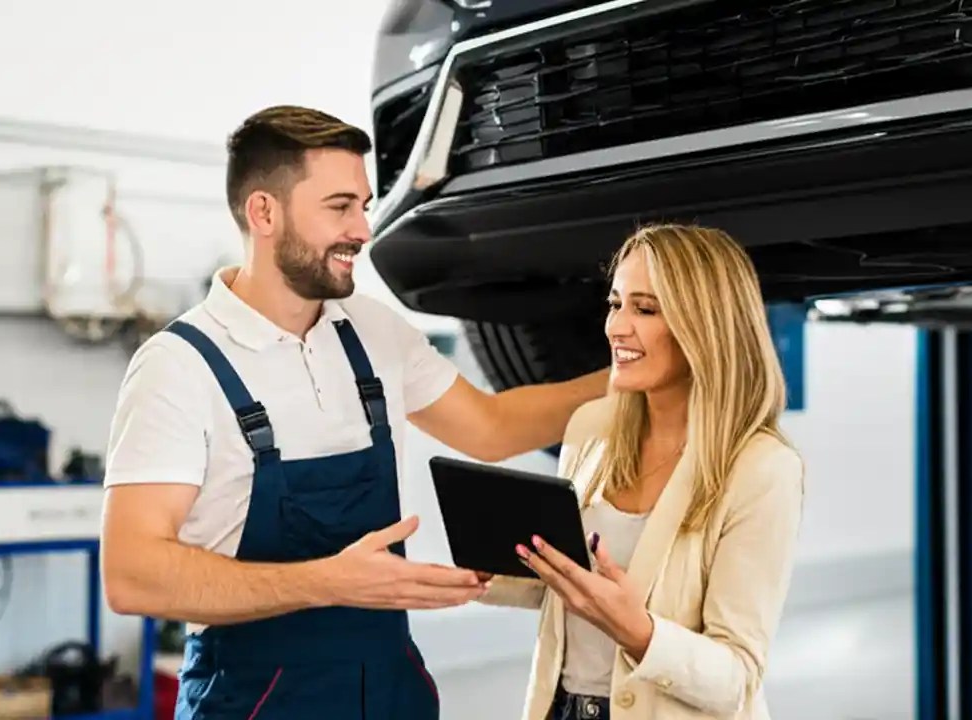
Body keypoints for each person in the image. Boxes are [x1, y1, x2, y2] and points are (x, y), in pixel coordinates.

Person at [98, 104, 609, 720]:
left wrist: (627, 378)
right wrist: (330, 582)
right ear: (264, 212)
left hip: (389, 691)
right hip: (256, 700)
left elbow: (492, 428)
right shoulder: (178, 367)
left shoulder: (371, 330)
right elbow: (131, 574)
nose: (363, 231)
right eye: (340, 207)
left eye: (364, 206)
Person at [480, 223, 805, 720]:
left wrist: (639, 631)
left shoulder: (762, 469)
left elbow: (738, 678)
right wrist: (489, 571)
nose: (616, 327)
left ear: (706, 327)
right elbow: (578, 586)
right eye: (615, 304)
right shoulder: (592, 428)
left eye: (645, 309)